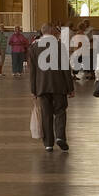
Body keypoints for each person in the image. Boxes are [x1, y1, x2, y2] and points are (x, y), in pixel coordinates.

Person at [29, 23, 75, 151]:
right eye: (55, 30)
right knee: (60, 111)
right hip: (59, 85)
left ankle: (48, 144)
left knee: (46, 114)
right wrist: (70, 88)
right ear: (51, 31)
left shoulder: (34, 48)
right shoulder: (60, 46)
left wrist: (33, 90)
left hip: (41, 87)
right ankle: (60, 137)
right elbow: (66, 69)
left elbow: (33, 72)